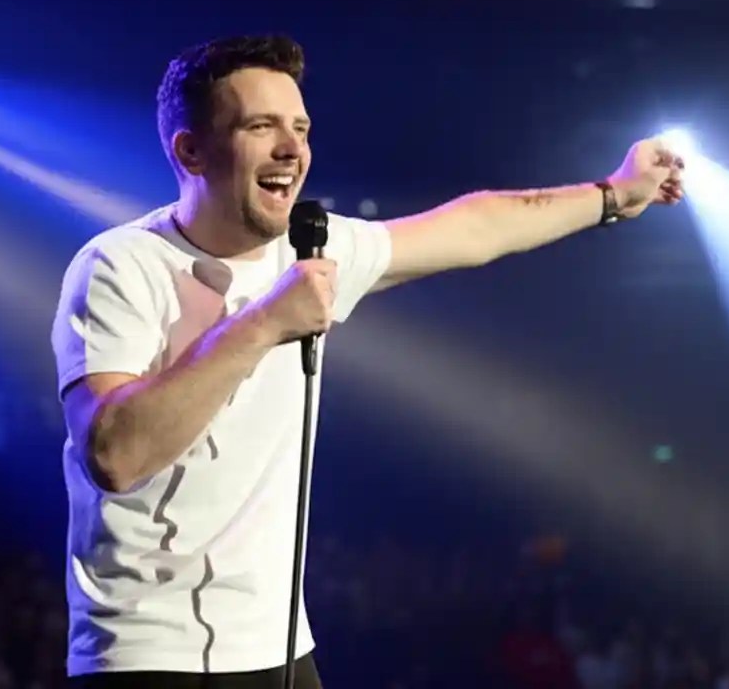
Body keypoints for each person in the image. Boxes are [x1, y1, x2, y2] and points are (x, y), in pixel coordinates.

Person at [51, 34, 684, 688]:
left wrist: (614, 194)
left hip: (280, 652)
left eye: (300, 128)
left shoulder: (311, 251)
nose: (292, 150)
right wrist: (266, 321)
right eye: (262, 127)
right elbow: (116, 455)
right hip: (148, 657)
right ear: (190, 150)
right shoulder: (121, 266)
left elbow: (476, 227)